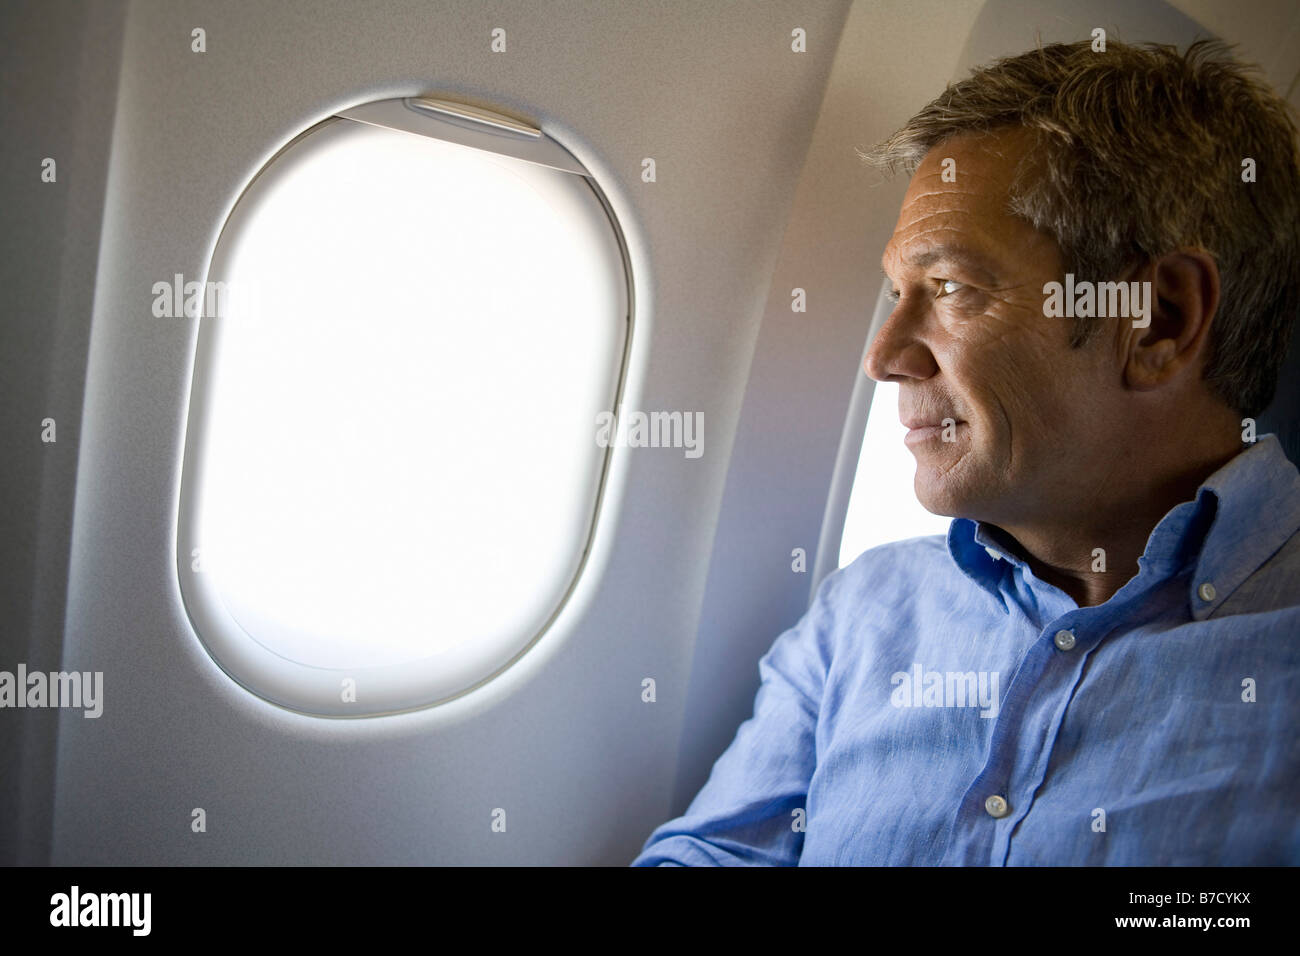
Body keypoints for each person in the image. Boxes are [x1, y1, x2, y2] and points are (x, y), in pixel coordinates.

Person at [632, 38, 1300, 865]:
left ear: (1157, 319)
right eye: (894, 294)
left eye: (949, 288)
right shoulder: (867, 613)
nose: (882, 357)